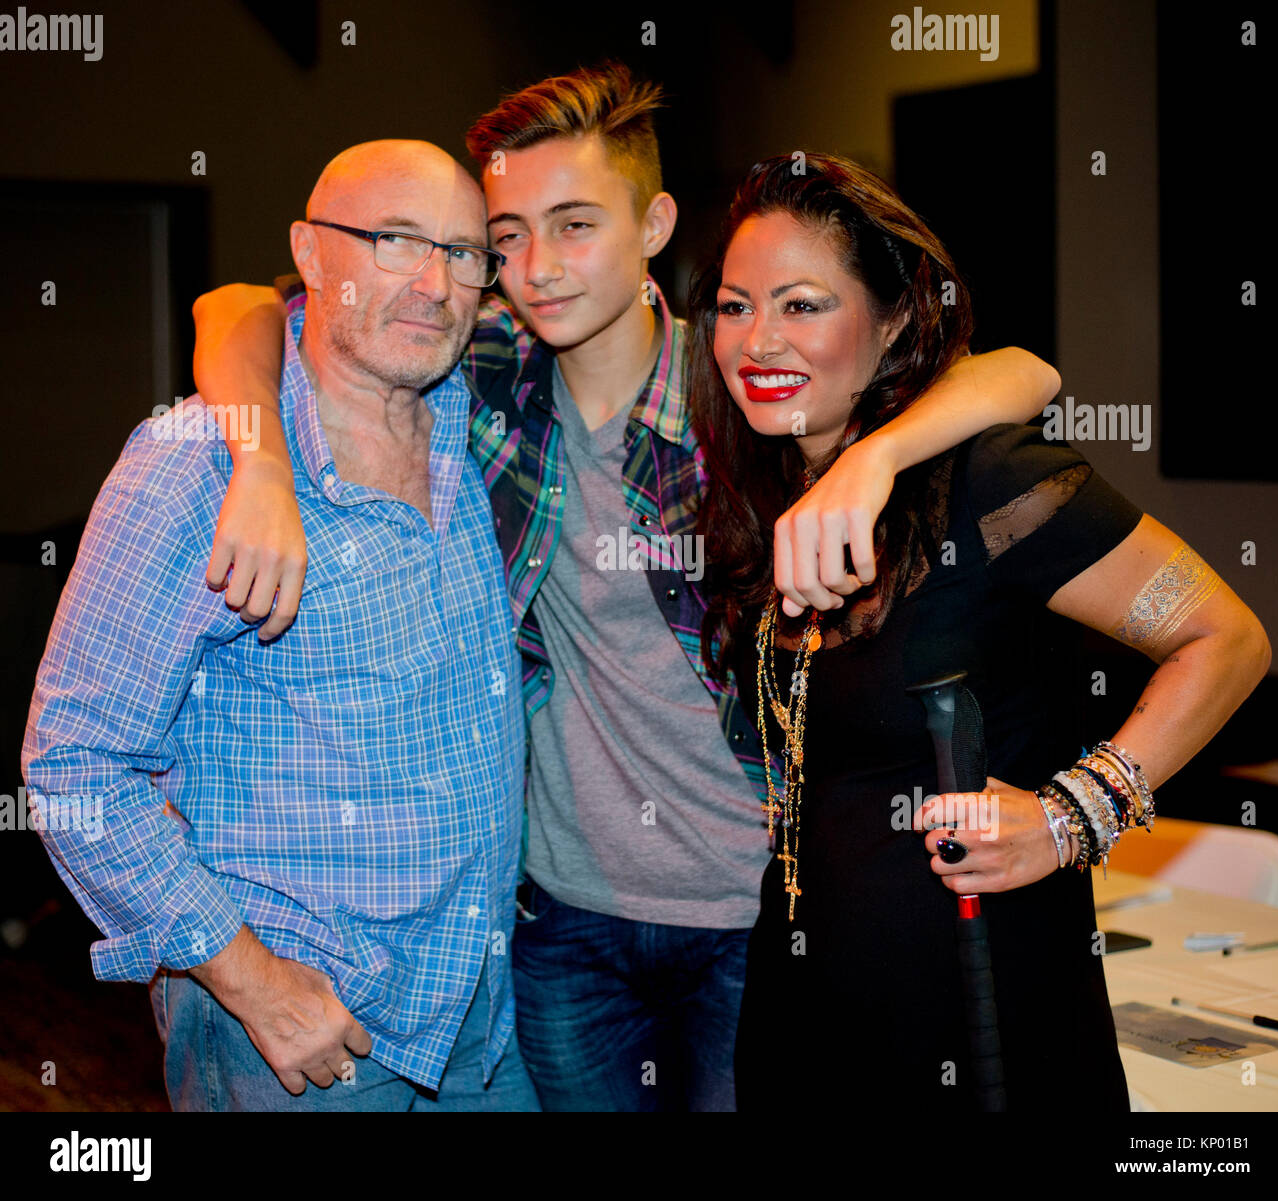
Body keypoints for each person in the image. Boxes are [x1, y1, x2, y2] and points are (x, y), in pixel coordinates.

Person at [188, 63, 1060, 1110]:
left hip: (748, 914)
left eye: (574, 225)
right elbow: (233, 303)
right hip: (561, 923)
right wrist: (261, 464)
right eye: (506, 236)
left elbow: (1024, 372)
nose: (537, 268)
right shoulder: (480, 369)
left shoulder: (747, 387)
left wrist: (875, 457)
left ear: (653, 223)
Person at [691, 151, 1272, 1111]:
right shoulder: (764, 493)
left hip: (984, 1012)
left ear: (889, 323)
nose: (758, 338)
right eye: (733, 304)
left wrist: (1068, 815)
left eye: (802, 305)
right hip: (805, 1007)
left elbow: (1228, 638)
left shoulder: (992, 480)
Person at [22, 140, 539, 1112]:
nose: (435, 282)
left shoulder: (475, 421)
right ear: (309, 251)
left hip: (478, 1012)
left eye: (466, 254)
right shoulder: (194, 464)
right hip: (305, 1038)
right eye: (395, 241)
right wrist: (252, 980)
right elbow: (73, 766)